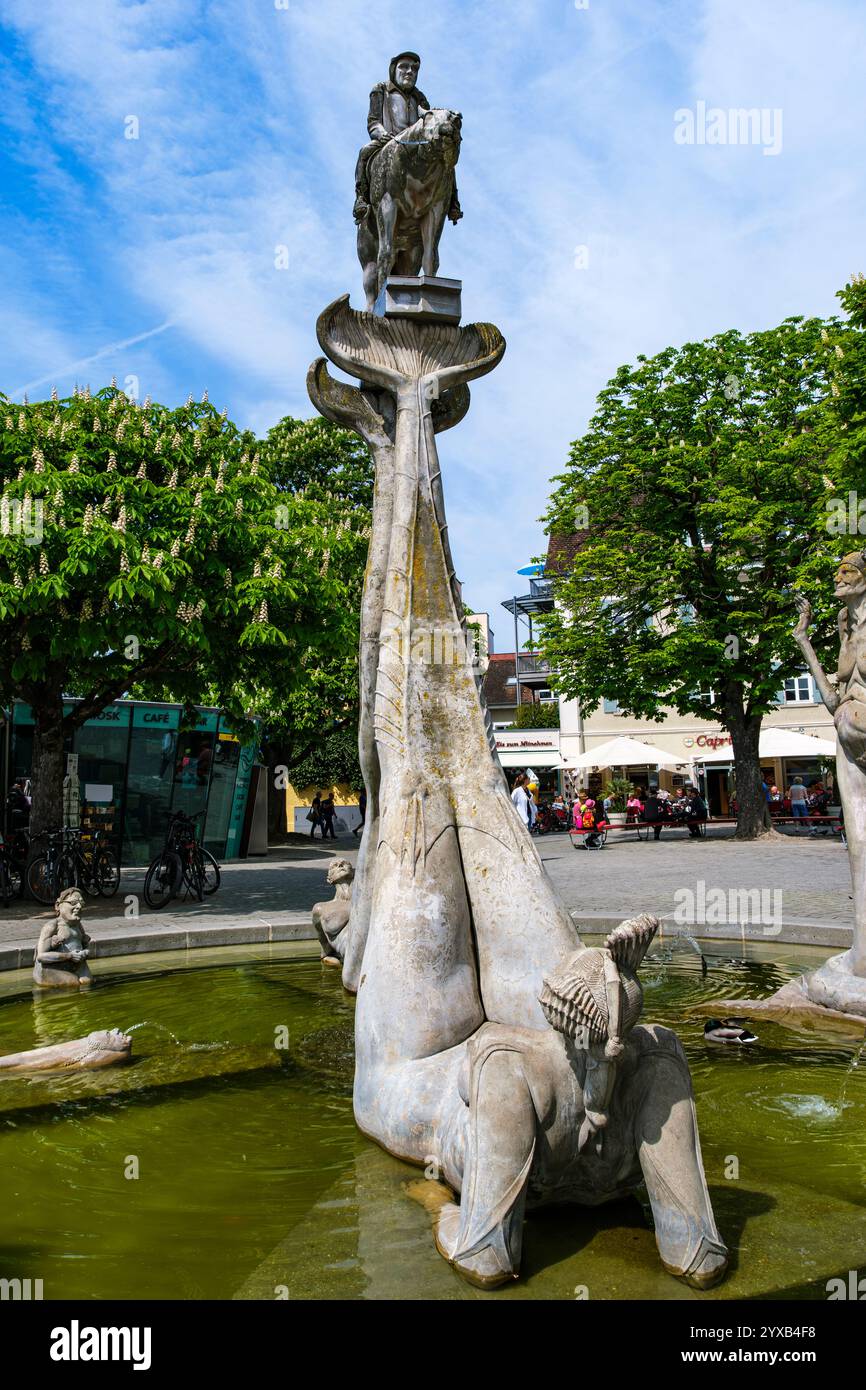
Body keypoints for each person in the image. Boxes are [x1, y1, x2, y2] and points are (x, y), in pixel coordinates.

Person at [353, 52, 462, 226]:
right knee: (364, 152)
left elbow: (427, 120)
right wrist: (382, 135)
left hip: (416, 145)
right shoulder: (380, 89)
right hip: (387, 141)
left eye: (414, 69)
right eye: (404, 66)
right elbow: (373, 122)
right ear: (393, 70)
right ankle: (361, 198)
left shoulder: (420, 97)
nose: (409, 71)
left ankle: (453, 202)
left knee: (445, 158)